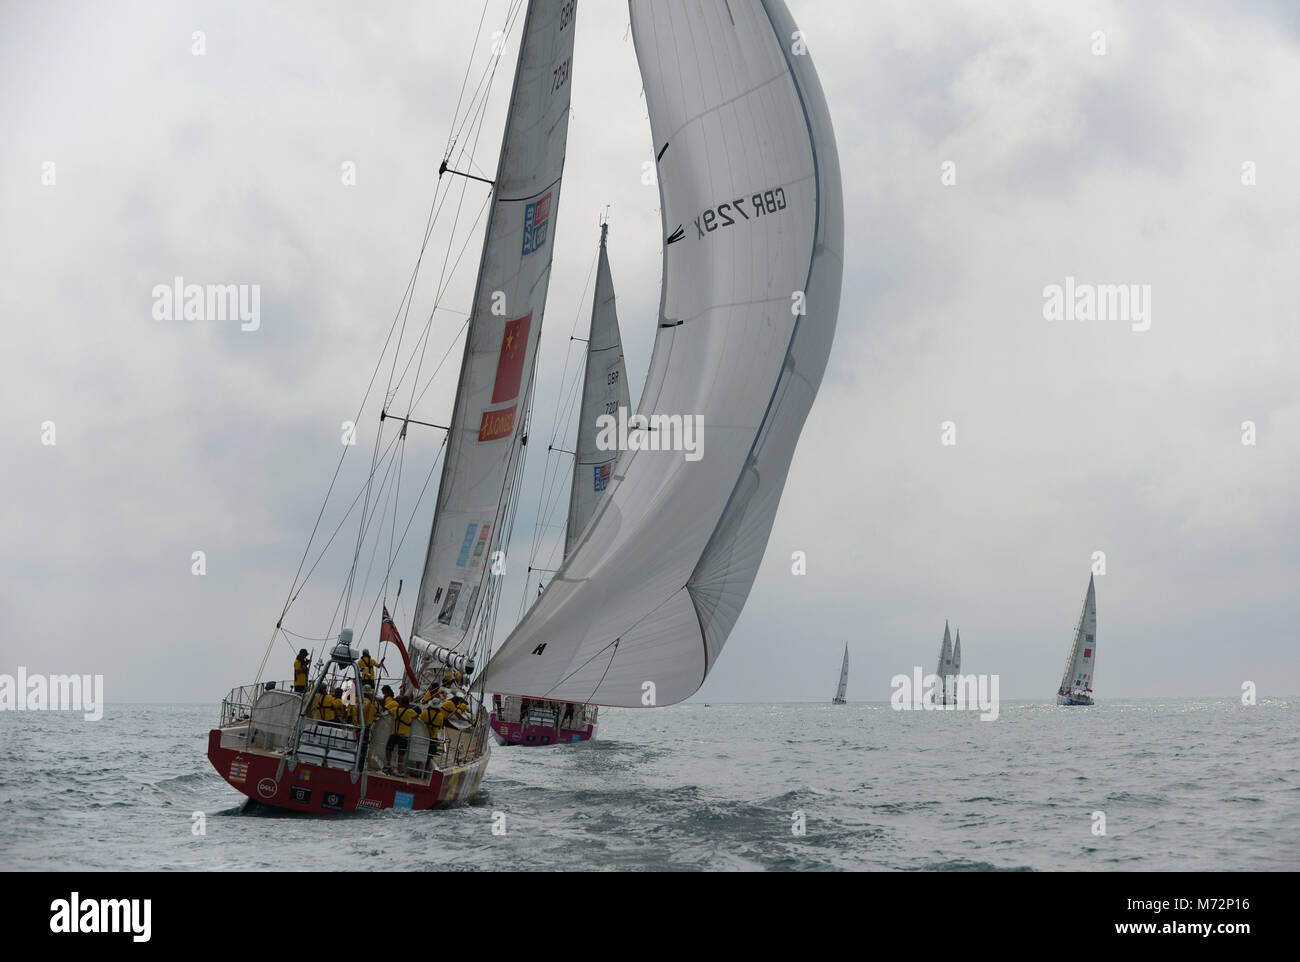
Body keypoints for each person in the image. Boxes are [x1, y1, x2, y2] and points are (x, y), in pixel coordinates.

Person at [384, 695, 418, 776]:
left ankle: (388, 765)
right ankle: (399, 770)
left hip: (394, 734)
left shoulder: (395, 710)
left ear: (401, 702)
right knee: (401, 753)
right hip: (404, 736)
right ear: (408, 704)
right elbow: (417, 716)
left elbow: (388, 712)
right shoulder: (411, 712)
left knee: (388, 749)